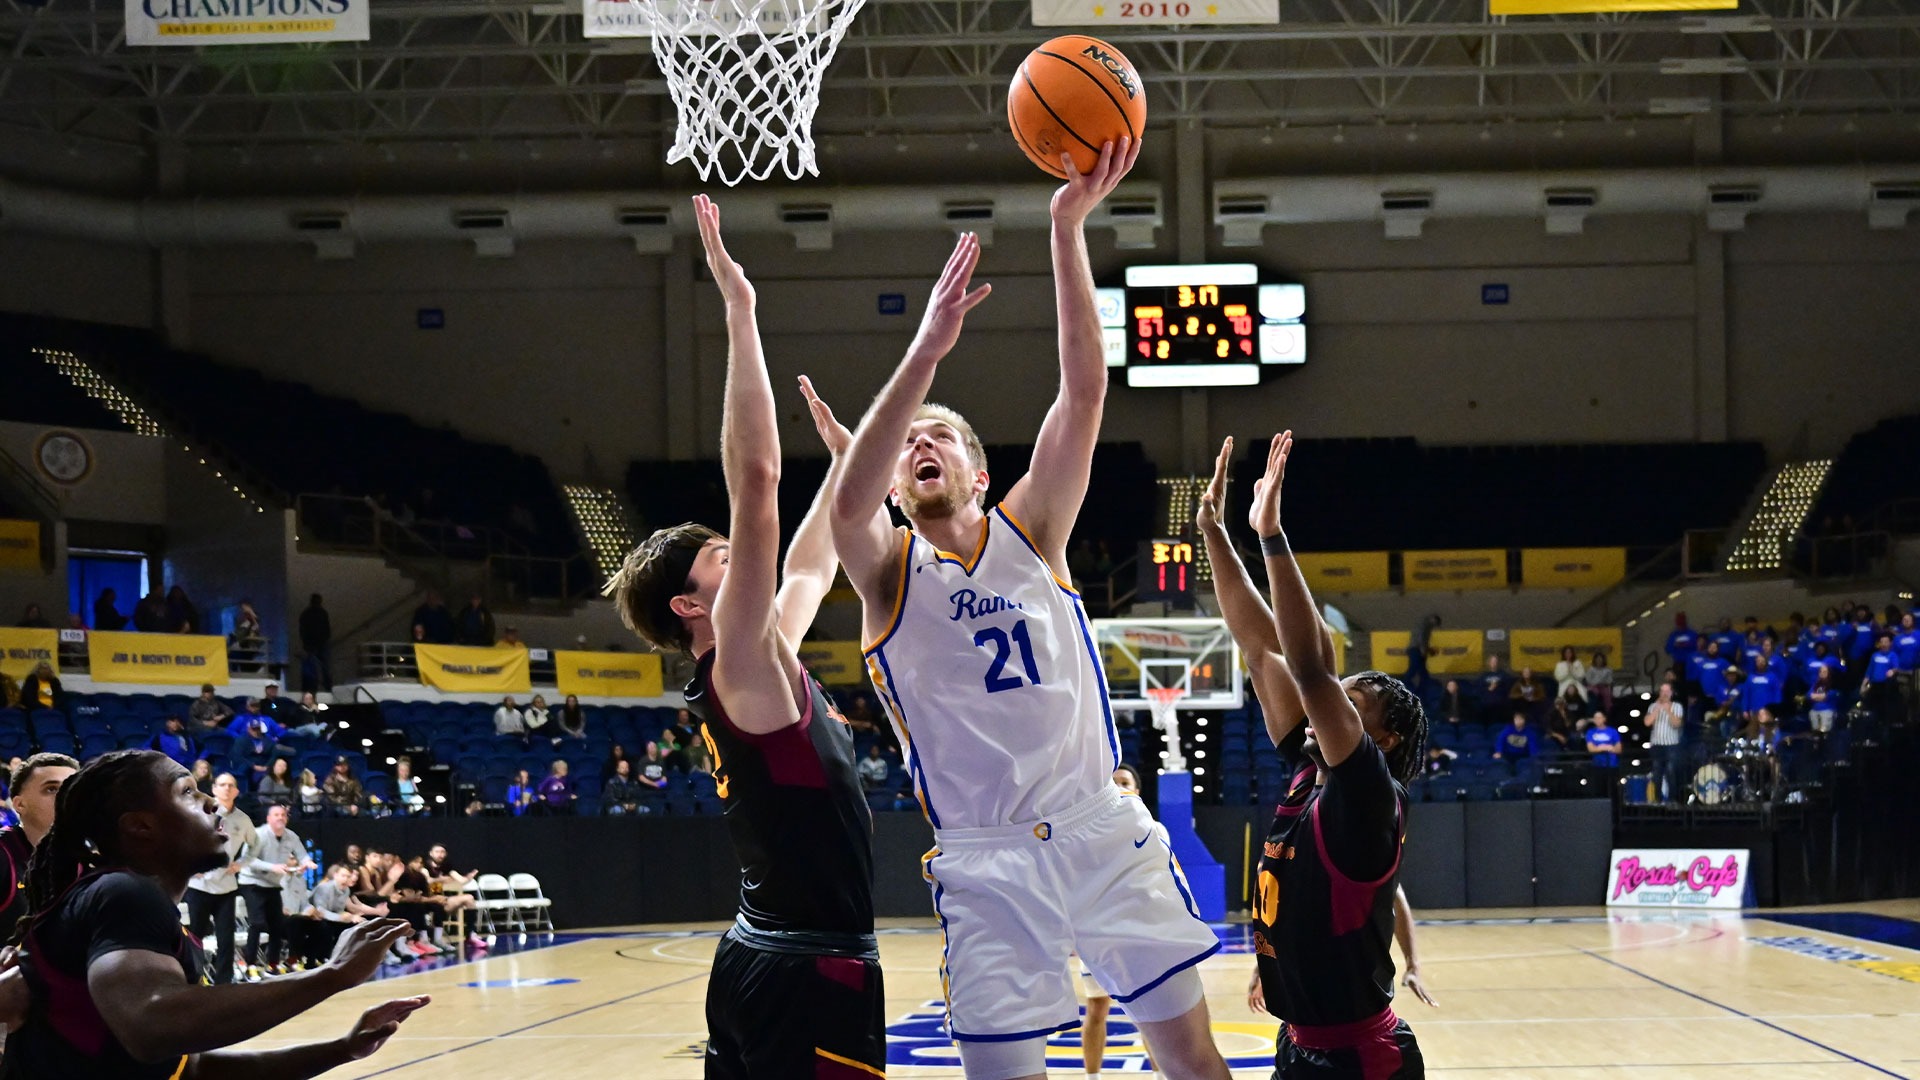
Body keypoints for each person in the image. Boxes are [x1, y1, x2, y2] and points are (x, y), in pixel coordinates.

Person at [828, 142, 1229, 1080]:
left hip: (1100, 827)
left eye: (942, 437)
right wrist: (924, 355)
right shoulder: (885, 568)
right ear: (892, 484)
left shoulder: (1034, 530)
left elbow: (1084, 389)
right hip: (985, 863)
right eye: (906, 442)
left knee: (1195, 1065)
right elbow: (846, 504)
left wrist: (1066, 227)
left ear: (980, 472)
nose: (921, 441)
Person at [606, 193, 885, 1080]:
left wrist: (848, 471)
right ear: (692, 608)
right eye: (723, 561)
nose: (743, 565)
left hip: (770, 954)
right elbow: (757, 477)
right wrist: (740, 308)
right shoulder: (743, 664)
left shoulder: (762, 662)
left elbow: (808, 569)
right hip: (806, 966)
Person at [0, 751, 428, 1076]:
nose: (210, 802)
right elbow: (152, 1026)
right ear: (140, 826)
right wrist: (333, 974)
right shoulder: (121, 893)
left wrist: (341, 1049)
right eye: (187, 792)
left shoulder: (131, 903)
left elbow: (191, 1068)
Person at [1232, 430, 1428, 1078]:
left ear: (1385, 739)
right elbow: (1263, 650)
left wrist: (1270, 537)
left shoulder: (1368, 794)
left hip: (1361, 1059)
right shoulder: (1309, 770)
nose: (1327, 712)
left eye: (1352, 706)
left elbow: (1313, 668)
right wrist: (1212, 531)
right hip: (1297, 1044)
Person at [184, 772, 259, 986]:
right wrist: (191, 866)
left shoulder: (243, 819)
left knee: (226, 938)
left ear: (236, 791)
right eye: (222, 785)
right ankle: (192, 979)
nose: (227, 788)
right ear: (214, 789)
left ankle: (224, 982)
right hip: (199, 885)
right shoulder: (200, 811)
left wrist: (241, 864)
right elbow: (183, 840)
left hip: (226, 887)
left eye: (231, 785)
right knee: (195, 935)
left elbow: (255, 845)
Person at [0, 754, 78, 935]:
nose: (66, 797)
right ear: (19, 804)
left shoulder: (85, 859)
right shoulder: (4, 854)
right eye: (52, 789)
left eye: (74, 788)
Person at [239, 803, 317, 978]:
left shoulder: (291, 836)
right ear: (268, 819)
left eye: (283, 815)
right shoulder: (258, 835)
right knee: (257, 923)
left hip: (273, 884)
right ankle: (249, 964)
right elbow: (248, 860)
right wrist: (272, 867)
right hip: (252, 882)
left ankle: (272, 964)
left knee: (277, 926)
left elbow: (302, 854)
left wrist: (307, 863)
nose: (280, 818)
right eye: (276, 815)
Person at [298, 864, 390, 966]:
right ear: (335, 875)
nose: (345, 879)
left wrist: (350, 917)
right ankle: (320, 958)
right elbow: (320, 910)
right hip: (312, 918)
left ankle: (350, 956)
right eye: (343, 876)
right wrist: (341, 917)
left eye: (348, 876)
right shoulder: (324, 888)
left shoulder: (346, 890)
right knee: (324, 927)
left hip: (331, 918)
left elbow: (339, 910)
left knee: (356, 925)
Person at [1643, 683, 1686, 803]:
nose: (1665, 694)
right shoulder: (1653, 706)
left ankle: (1672, 799)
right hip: (1657, 745)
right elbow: (1647, 722)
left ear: (1671, 693)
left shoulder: (1677, 706)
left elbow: (1677, 724)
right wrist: (1657, 709)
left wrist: (1668, 711)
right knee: (1657, 772)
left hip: (1671, 745)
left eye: (1667, 691)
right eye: (1662, 691)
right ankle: (1658, 799)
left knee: (1671, 770)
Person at [299, 593, 333, 693]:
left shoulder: (306, 614)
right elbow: (327, 629)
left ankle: (309, 688)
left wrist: (306, 643)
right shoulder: (323, 613)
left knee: (310, 668)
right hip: (321, 644)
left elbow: (302, 630)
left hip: (311, 644)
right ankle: (327, 687)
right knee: (324, 667)